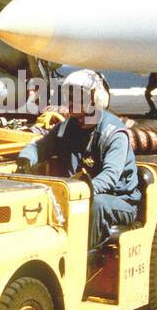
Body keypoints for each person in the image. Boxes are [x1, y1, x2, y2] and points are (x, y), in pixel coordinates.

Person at [16, 69, 141, 250]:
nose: (72, 102)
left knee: (97, 205)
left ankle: (83, 260)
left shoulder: (113, 133)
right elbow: (40, 146)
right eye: (70, 96)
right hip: (77, 193)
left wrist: (79, 191)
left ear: (95, 99)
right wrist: (26, 159)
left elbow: (110, 176)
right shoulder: (68, 127)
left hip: (119, 199)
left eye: (79, 96)